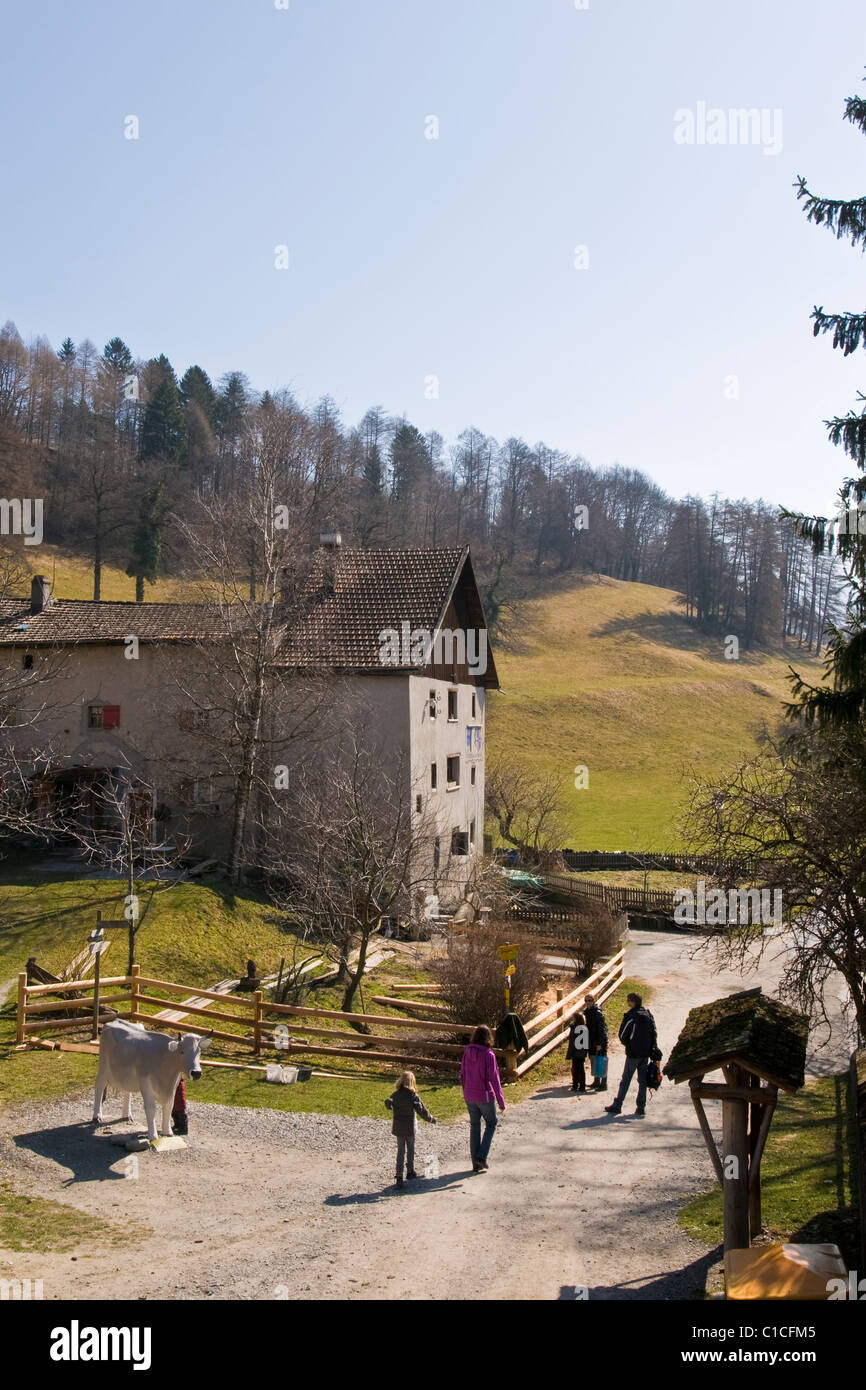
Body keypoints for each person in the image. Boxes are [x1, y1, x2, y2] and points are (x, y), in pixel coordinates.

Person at [460, 1025, 506, 1172]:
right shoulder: (489, 1054)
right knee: (492, 1123)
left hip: (469, 1094)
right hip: (484, 1096)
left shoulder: (467, 1051)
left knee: (475, 1126)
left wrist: (465, 1091)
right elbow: (495, 1079)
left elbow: (463, 1074)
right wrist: (501, 1101)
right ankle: (481, 1156)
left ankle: (475, 1162)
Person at [605, 992, 658, 1118]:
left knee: (626, 1079)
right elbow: (654, 1032)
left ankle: (617, 1105)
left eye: (628, 1000)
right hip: (645, 1054)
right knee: (643, 1081)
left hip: (633, 1054)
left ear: (633, 1002)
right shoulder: (648, 1015)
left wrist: (628, 1045)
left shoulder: (631, 1016)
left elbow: (622, 1035)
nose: (627, 1003)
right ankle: (641, 1107)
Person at [385, 1070, 437, 1188]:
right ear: (412, 1082)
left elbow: (388, 1102)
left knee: (400, 1151)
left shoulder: (395, 1095)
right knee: (411, 1149)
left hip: (398, 1128)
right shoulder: (413, 1096)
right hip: (410, 1128)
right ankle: (410, 1171)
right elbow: (422, 1111)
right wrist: (431, 1119)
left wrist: (390, 1105)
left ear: (401, 1081)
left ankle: (399, 1174)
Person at [584, 992, 609, 1092]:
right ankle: (596, 1081)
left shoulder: (597, 1013)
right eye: (586, 1000)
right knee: (594, 1060)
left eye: (590, 1000)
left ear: (593, 1001)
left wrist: (599, 1043)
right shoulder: (588, 1011)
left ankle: (603, 1083)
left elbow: (602, 1029)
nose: (588, 1002)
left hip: (599, 1041)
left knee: (601, 1061)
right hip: (592, 1040)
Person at [565, 1010, 588, 1092]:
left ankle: (575, 1085)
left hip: (576, 1051)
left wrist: (570, 1053)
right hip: (582, 1052)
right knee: (581, 1069)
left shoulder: (575, 1028)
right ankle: (582, 1085)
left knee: (576, 1069)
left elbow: (572, 1042)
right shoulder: (585, 1027)